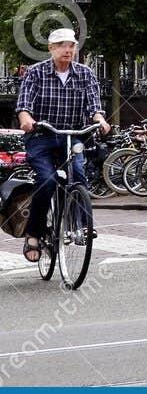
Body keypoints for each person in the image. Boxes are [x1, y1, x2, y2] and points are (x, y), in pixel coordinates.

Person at [15, 27, 110, 263]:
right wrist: (26, 119)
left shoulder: (85, 74)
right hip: (42, 136)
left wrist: (99, 119)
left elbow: (94, 107)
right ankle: (34, 234)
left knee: (78, 174)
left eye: (72, 45)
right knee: (46, 182)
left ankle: (82, 226)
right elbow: (24, 104)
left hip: (71, 135)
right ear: (51, 48)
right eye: (63, 45)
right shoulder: (35, 73)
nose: (69, 50)